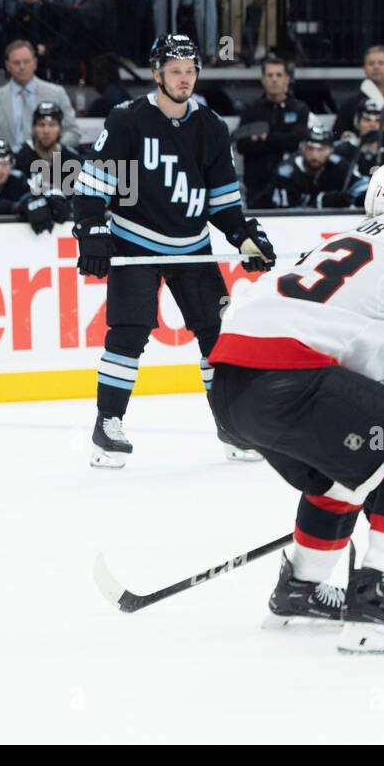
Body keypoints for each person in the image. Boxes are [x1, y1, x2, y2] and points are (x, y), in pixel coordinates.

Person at [207, 162, 384, 654]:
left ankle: (302, 588)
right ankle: (374, 598)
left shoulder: (343, 243)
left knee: (355, 463)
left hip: (231, 388)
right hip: (286, 380)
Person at [71, 34, 278, 468]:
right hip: (135, 241)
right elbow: (90, 188)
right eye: (175, 70)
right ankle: (108, 424)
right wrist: (91, 229)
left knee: (217, 336)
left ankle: (230, 425)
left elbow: (223, 205)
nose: (184, 79)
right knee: (129, 332)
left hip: (192, 246)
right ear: (157, 73)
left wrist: (244, 237)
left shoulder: (212, 127)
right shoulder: (128, 120)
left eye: (190, 71)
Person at [0, 40, 80, 151]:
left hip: (48, 165)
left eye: (26, 62)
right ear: (7, 66)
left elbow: (72, 132)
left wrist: (52, 150)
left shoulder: (56, 93)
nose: (21, 67)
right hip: (8, 165)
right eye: (16, 63)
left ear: (35, 63)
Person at [233, 56, 311, 199]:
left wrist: (264, 137)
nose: (274, 79)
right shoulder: (251, 109)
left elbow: (295, 143)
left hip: (292, 186)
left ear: (287, 78)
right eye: (269, 75)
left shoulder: (299, 108)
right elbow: (242, 145)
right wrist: (281, 141)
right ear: (263, 79)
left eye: (279, 75)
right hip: (257, 187)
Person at [13, 101, 81, 230]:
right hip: (25, 230)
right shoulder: (19, 157)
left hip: (68, 228)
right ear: (33, 128)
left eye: (52, 125)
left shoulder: (73, 159)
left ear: (60, 128)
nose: (46, 130)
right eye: (41, 125)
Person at [250, 126, 350, 209]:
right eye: (310, 148)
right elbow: (285, 213)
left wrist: (353, 198)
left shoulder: (339, 164)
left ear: (330, 151)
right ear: (302, 148)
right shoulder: (286, 173)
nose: (314, 155)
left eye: (321, 149)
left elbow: (361, 186)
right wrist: (321, 201)